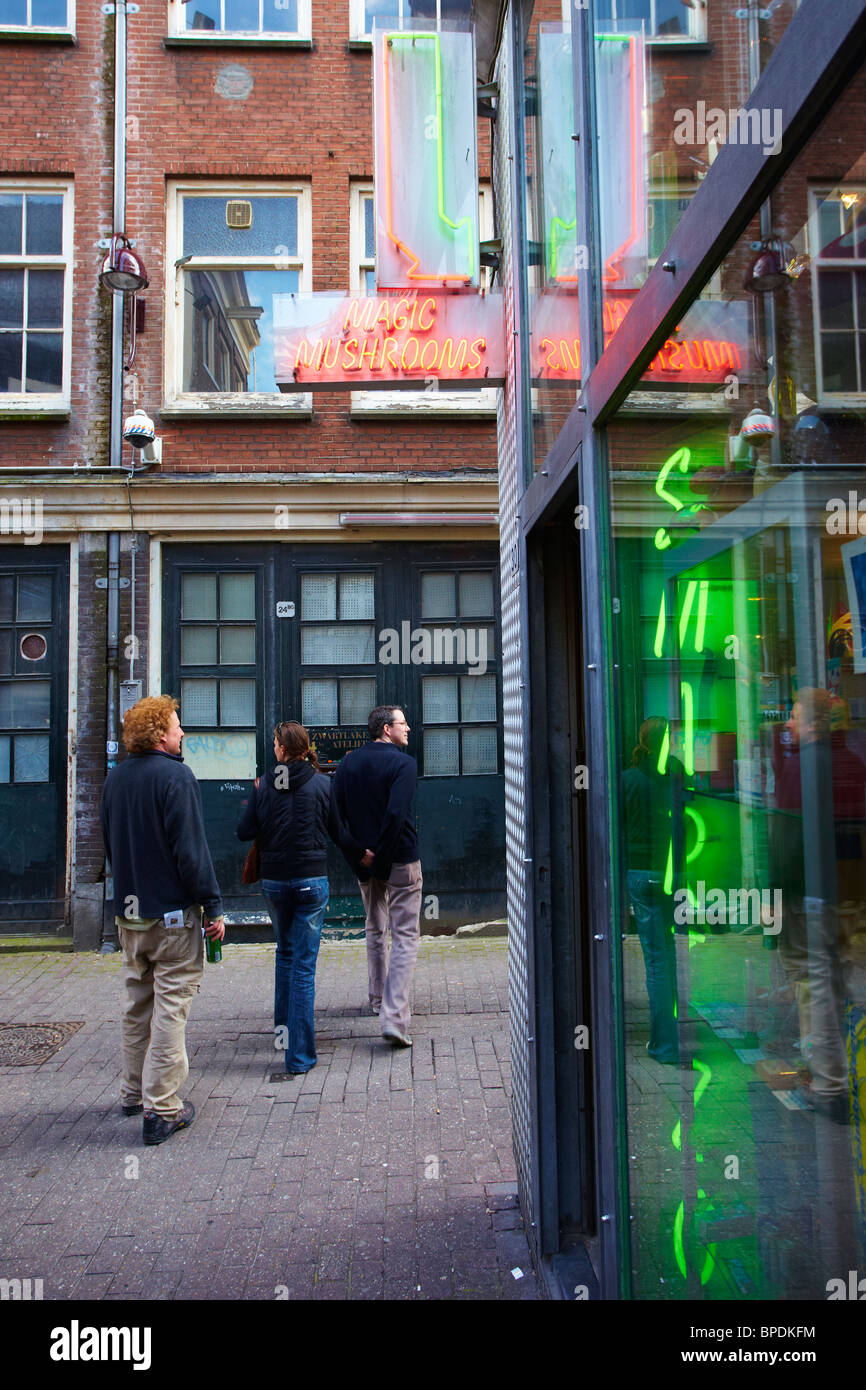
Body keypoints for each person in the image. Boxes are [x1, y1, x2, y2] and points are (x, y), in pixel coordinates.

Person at [100, 695, 225, 1146]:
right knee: (172, 1006)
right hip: (173, 916)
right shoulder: (177, 777)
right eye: (176, 726)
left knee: (138, 1005)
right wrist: (213, 907)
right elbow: (191, 852)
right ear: (159, 736)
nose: (182, 733)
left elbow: (110, 848)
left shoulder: (114, 781)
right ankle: (162, 1109)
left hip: (129, 917)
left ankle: (132, 1092)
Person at [237, 721, 362, 1076]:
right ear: (304, 748)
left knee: (285, 955)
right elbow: (340, 833)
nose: (274, 747)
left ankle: (283, 1036)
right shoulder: (323, 784)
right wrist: (364, 859)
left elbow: (243, 831)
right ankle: (300, 1057)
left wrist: (266, 816)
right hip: (311, 881)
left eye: (275, 742)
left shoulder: (264, 784)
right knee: (303, 967)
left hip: (275, 882)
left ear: (280, 749)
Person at [334, 704, 422, 1048]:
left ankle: (376, 999)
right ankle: (395, 1017)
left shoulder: (347, 764)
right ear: (386, 729)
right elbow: (396, 814)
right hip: (399, 860)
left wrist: (361, 855)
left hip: (365, 864)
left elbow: (336, 820)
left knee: (374, 928)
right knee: (404, 937)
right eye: (403, 723)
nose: (408, 728)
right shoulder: (403, 764)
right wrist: (382, 858)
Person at [622, 716, 685, 1065]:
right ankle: (668, 1039)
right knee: (669, 954)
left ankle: (663, 1044)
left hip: (640, 874)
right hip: (671, 872)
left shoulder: (629, 779)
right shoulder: (676, 772)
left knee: (656, 959)